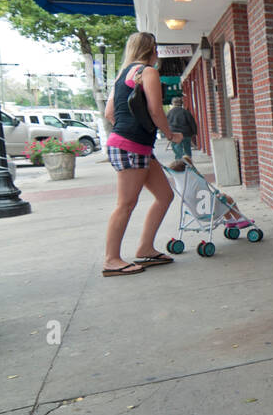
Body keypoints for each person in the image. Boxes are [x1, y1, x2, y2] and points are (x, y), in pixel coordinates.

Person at [102, 31, 183, 276]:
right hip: (131, 146)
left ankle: (146, 247)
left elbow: (109, 113)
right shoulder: (147, 72)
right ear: (152, 49)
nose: (158, 53)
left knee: (165, 195)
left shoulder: (122, 75)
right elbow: (156, 110)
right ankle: (111, 260)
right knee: (126, 204)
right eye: (156, 48)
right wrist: (171, 134)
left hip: (134, 145)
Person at [167, 157, 254, 228]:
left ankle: (230, 220)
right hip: (209, 211)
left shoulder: (180, 186)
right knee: (226, 198)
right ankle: (240, 219)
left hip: (194, 212)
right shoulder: (197, 180)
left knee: (219, 200)